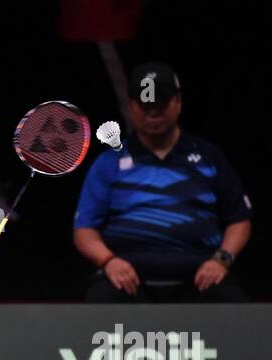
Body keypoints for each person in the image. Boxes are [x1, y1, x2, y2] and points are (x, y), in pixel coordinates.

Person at [74, 60, 253, 302]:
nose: (154, 111)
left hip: (199, 274)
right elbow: (84, 230)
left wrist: (221, 260)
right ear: (130, 106)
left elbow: (239, 220)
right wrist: (109, 261)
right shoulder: (109, 162)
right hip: (128, 275)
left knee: (233, 301)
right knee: (100, 298)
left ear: (178, 102)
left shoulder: (210, 157)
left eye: (161, 102)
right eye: (145, 104)